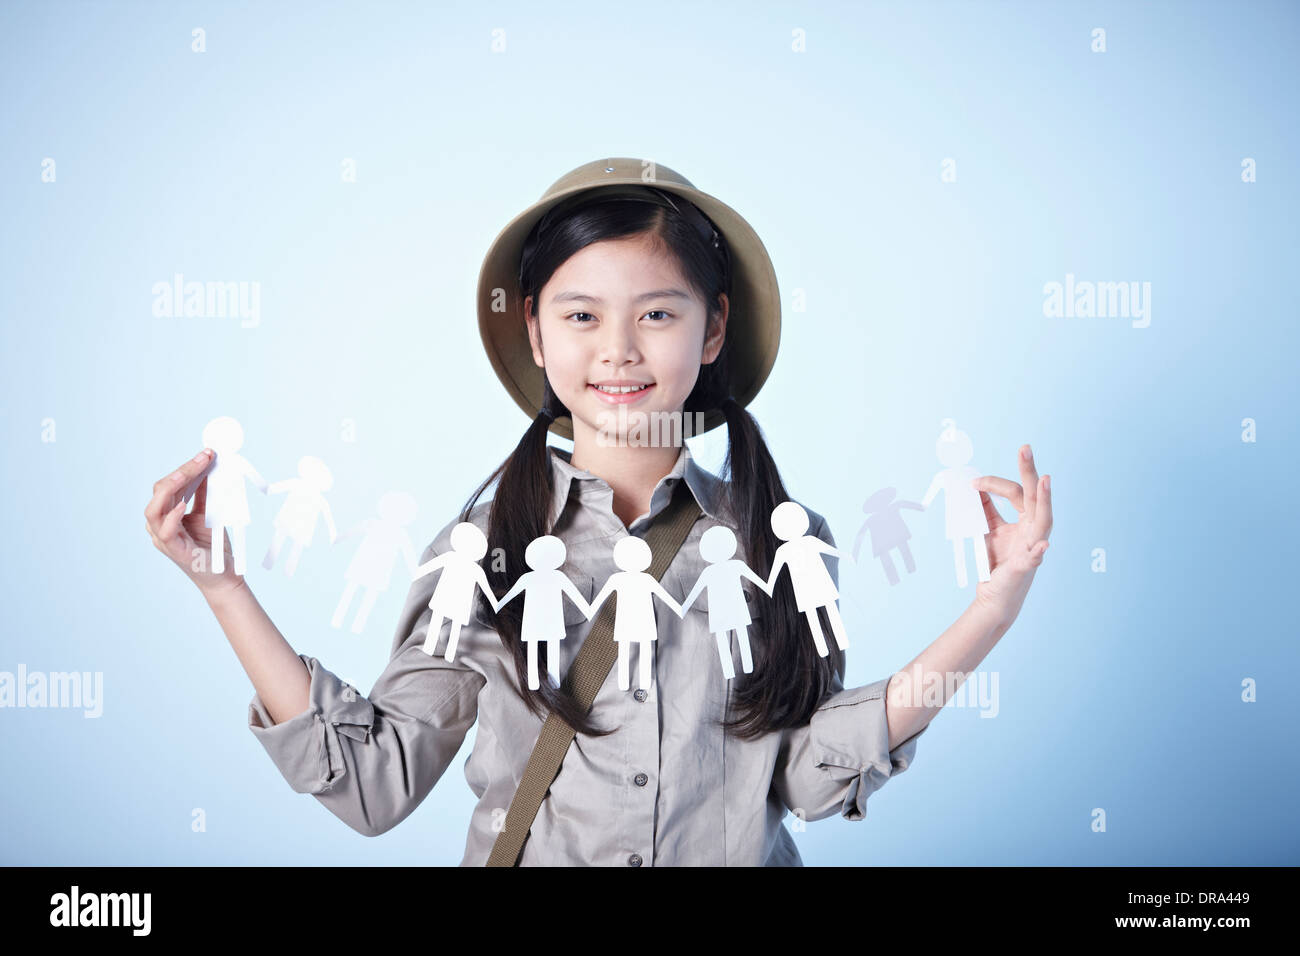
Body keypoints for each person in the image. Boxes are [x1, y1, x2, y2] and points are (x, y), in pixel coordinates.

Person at [142, 157, 1054, 865]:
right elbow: (374, 785)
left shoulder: (784, 538)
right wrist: (221, 587)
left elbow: (812, 782)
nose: (618, 349)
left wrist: (993, 609)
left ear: (716, 326)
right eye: (582, 316)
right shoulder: (482, 551)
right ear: (535, 330)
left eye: (658, 314)